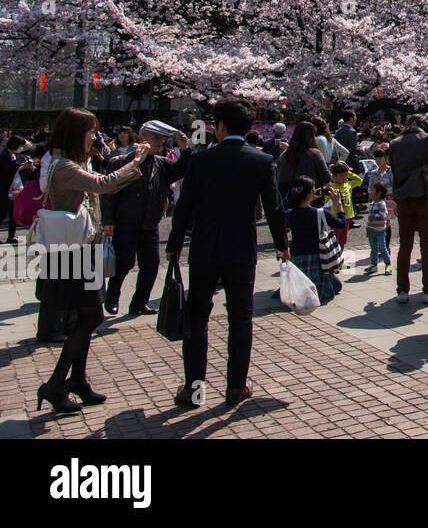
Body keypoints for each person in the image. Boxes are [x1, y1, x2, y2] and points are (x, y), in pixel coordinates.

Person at [167, 98, 290, 409]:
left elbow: (184, 207)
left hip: (206, 247)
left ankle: (194, 389)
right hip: (241, 248)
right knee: (240, 318)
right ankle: (236, 386)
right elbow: (274, 207)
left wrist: (174, 243)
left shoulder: (201, 160)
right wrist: (282, 245)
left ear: (220, 127)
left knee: (197, 317)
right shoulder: (261, 161)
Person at [32, 109, 148, 415]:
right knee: (90, 317)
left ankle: (77, 381)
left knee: (88, 317)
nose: (94, 137)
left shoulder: (70, 161)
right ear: (74, 134)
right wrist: (135, 162)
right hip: (69, 254)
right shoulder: (64, 167)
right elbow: (104, 184)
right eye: (89, 131)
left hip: (79, 250)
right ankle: (57, 384)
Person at [100, 119, 192, 317]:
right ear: (142, 139)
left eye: (162, 138)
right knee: (124, 263)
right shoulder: (124, 162)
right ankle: (112, 295)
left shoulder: (163, 163)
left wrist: (185, 151)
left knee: (150, 267)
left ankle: (139, 303)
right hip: (126, 222)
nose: (160, 142)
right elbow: (109, 193)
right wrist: (108, 220)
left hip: (150, 223)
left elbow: (182, 170)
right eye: (155, 137)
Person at [388, 115, 428, 304]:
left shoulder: (394, 143)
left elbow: (393, 171)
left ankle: (402, 290)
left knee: (405, 245)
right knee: (427, 244)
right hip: (425, 196)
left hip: (404, 197)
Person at [284, 175, 344, 304]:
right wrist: (338, 204)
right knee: (337, 286)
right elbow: (341, 224)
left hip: (297, 258)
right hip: (319, 259)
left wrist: (309, 199)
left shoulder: (289, 213)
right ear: (311, 192)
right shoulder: (320, 213)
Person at [278, 122, 331, 199]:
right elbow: (327, 178)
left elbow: (281, 180)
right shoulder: (314, 154)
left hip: (290, 199)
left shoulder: (285, 155)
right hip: (311, 198)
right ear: (311, 137)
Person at [328, 161, 364, 252]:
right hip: (336, 216)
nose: (344, 177)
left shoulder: (348, 184)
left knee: (343, 240)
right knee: (336, 238)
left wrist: (349, 172)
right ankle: (335, 256)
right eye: (341, 175)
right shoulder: (332, 187)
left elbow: (359, 180)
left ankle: (340, 255)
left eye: (345, 175)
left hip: (347, 216)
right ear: (334, 176)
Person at [364, 182, 394, 274]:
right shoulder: (373, 203)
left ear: (379, 193)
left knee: (382, 248)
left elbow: (383, 215)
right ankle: (373, 265)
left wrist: (373, 217)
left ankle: (388, 264)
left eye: (373, 190)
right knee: (373, 249)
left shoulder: (381, 204)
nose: (371, 192)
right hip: (371, 230)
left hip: (380, 231)